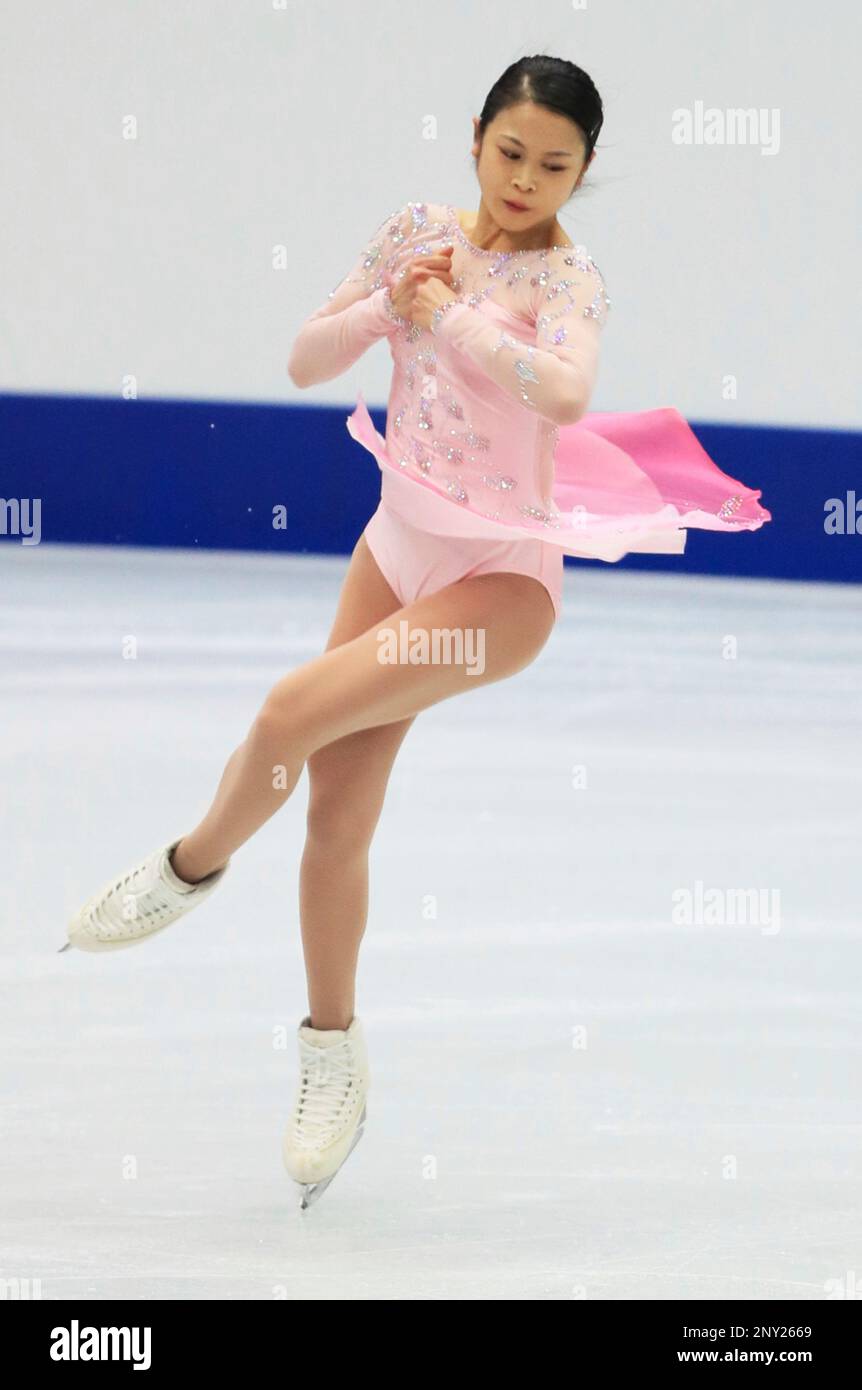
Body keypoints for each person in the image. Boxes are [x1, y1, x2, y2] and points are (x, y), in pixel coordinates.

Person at [63, 55, 771, 1207]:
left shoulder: (572, 281)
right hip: (396, 543)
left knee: (290, 710)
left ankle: (187, 869)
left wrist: (452, 317)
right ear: (475, 137)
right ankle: (331, 1050)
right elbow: (303, 358)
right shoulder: (413, 231)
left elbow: (565, 394)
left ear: (583, 171)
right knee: (335, 810)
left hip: (499, 586)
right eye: (509, 153)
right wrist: (389, 305)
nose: (525, 181)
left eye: (555, 165)